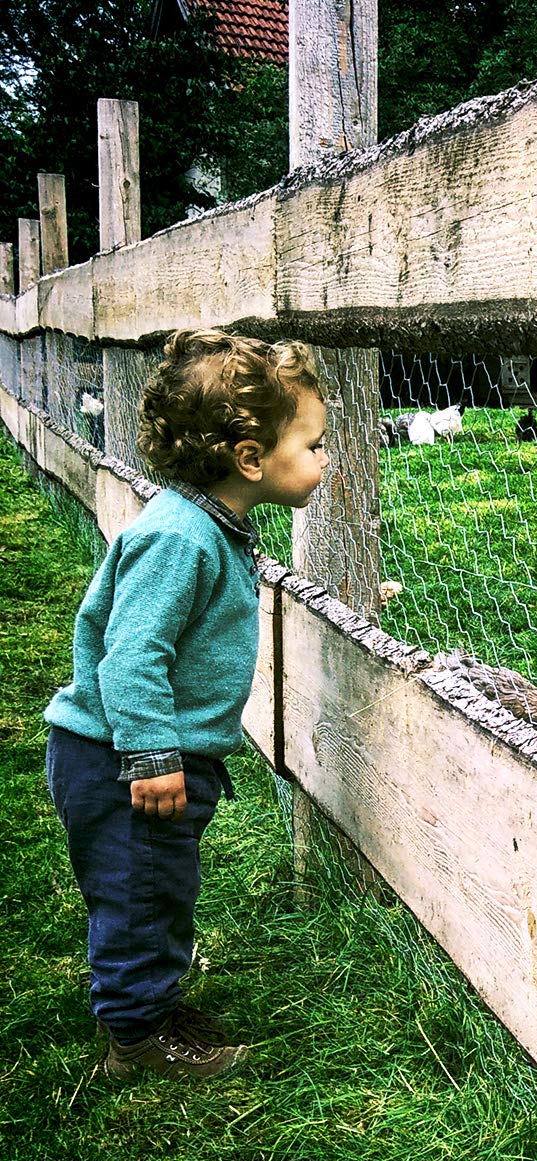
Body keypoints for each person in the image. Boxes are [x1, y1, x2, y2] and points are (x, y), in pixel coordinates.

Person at [44, 329, 329, 1081]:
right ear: (249, 459)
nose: (324, 458)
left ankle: (150, 1004)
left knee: (157, 890)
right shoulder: (181, 540)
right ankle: (138, 1044)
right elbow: (133, 655)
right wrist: (152, 756)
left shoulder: (210, 526)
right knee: (140, 896)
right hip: (124, 761)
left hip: (147, 757)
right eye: (313, 444)